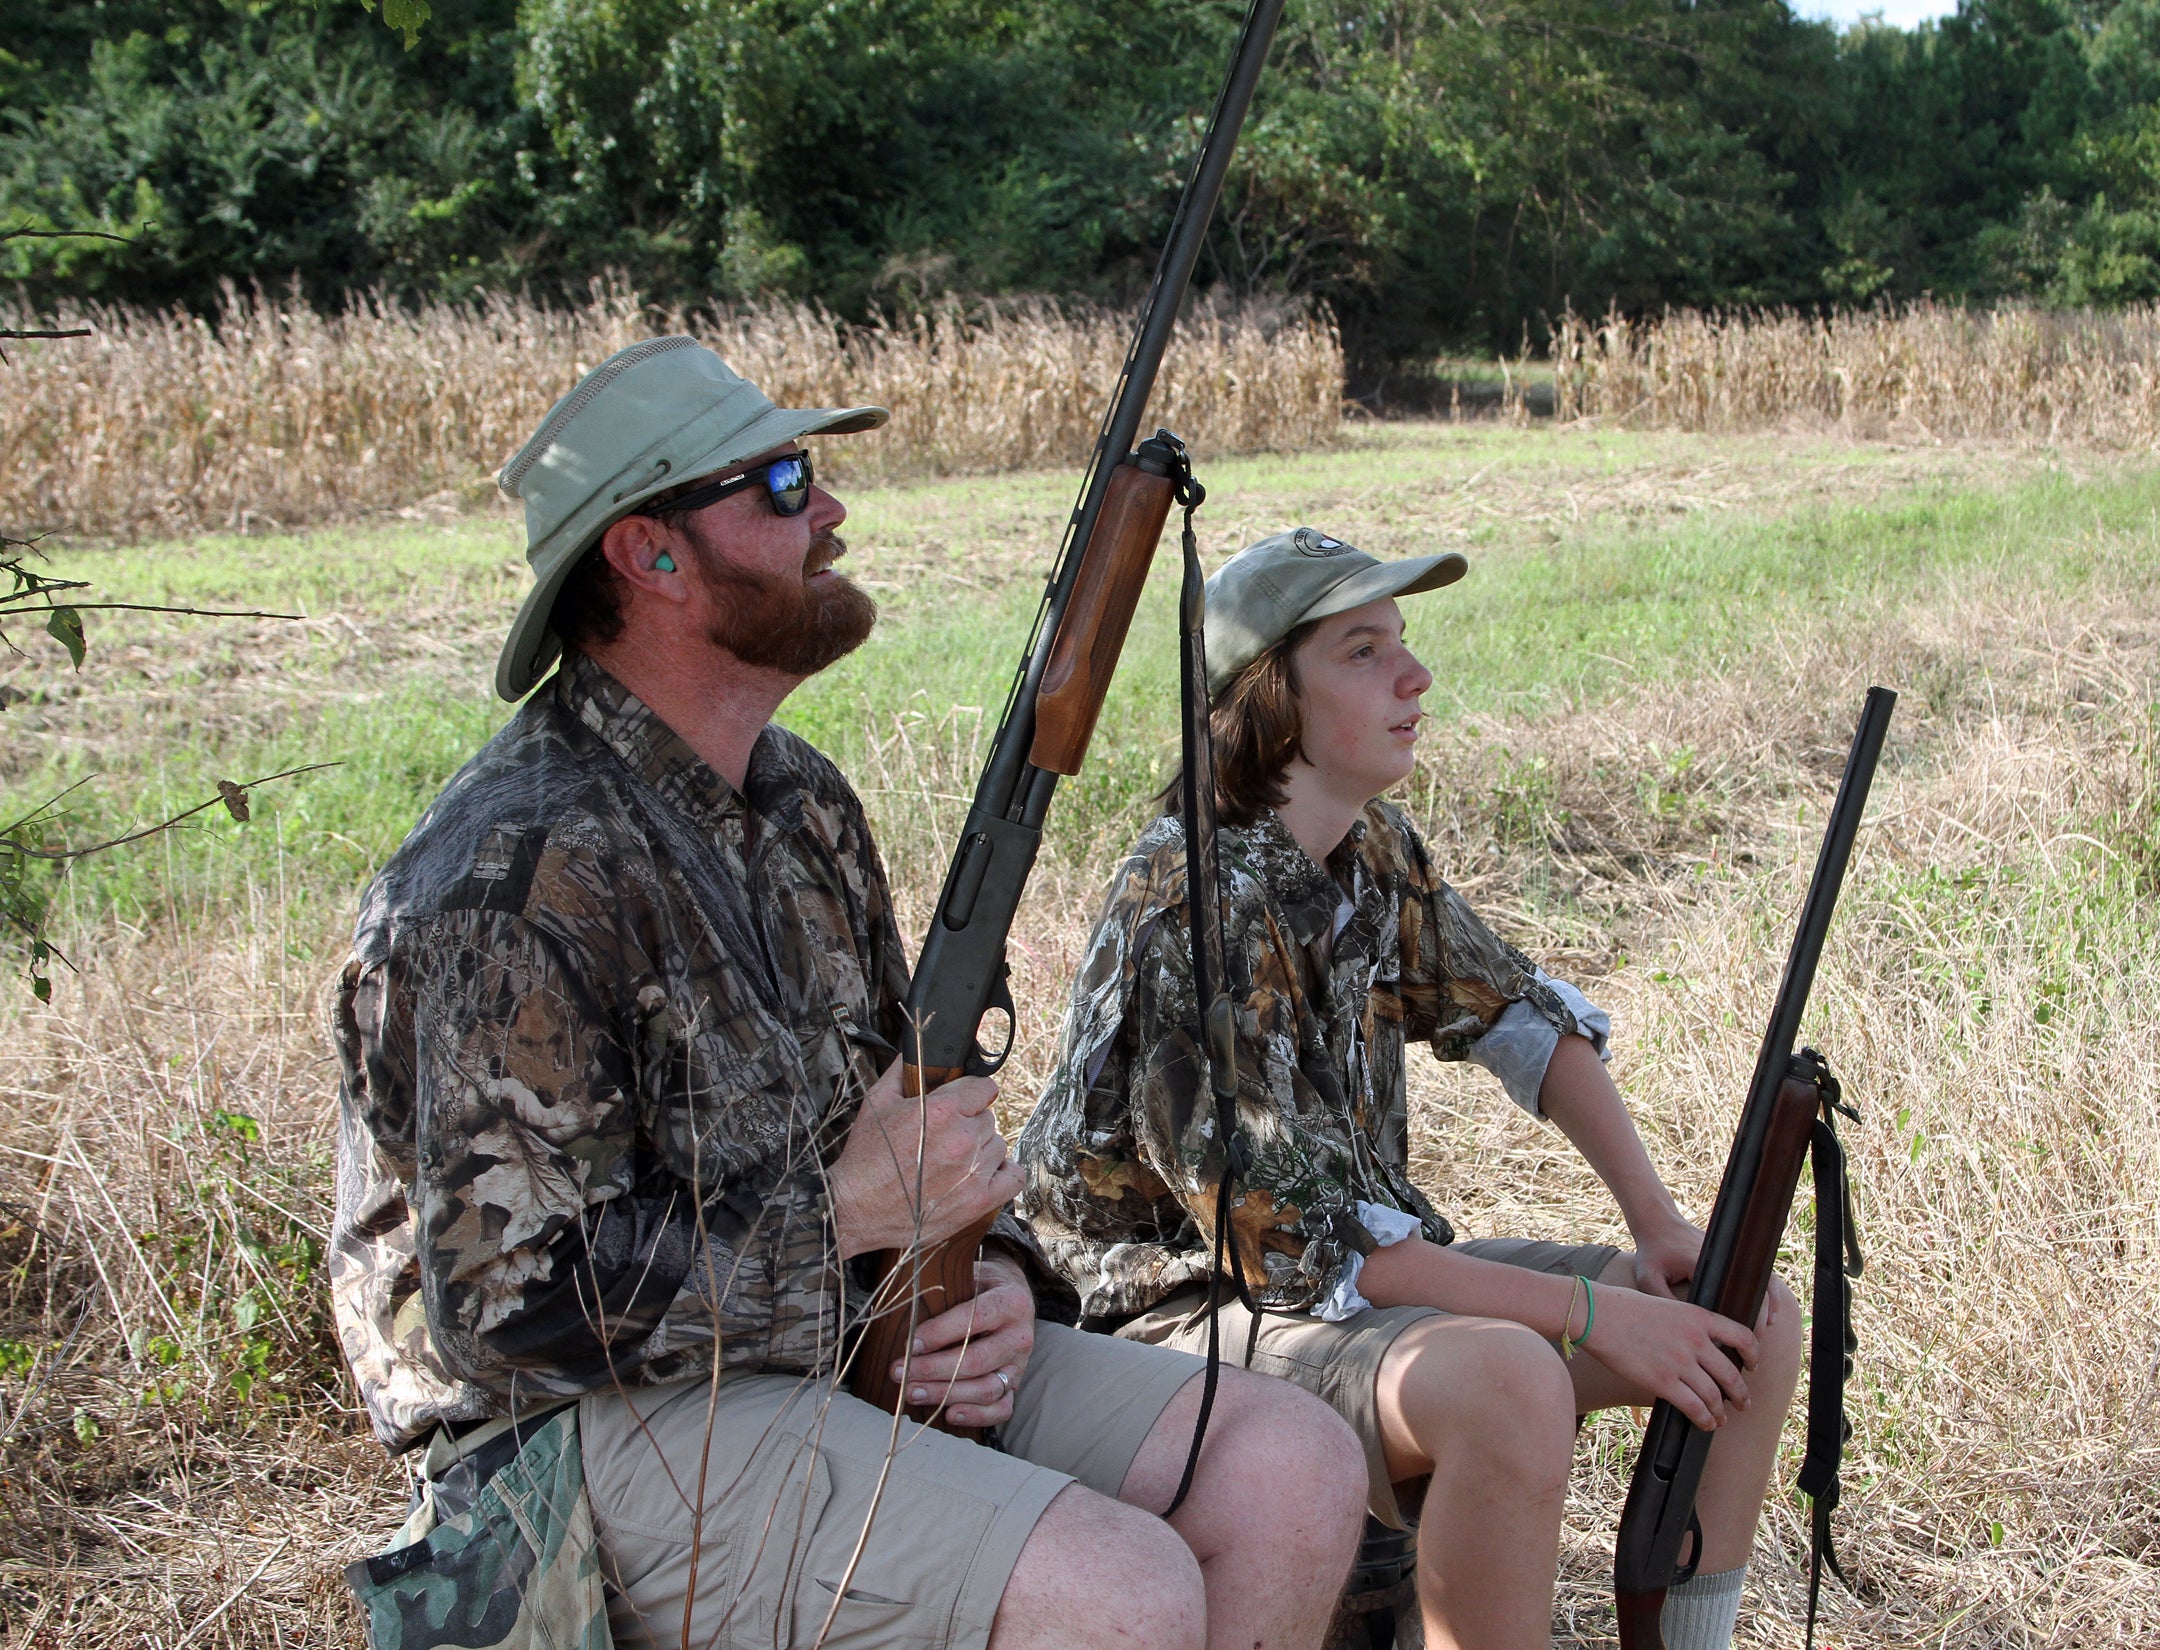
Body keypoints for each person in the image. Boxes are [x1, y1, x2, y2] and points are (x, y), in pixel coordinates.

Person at [327, 341, 1364, 1650]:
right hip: (566, 1449)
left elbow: (891, 1122)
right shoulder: (513, 871)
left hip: (812, 1343)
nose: (829, 512)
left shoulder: (798, 799)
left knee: (1290, 1468)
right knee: (1117, 1590)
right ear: (650, 556)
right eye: (778, 481)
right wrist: (832, 1226)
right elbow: (501, 1316)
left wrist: (980, 1286)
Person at [1019, 528, 1801, 1650]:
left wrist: (1661, 1228)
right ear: (1268, 700)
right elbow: (1318, 1252)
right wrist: (1597, 1313)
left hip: (1321, 1288)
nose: (1414, 674)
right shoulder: (1197, 905)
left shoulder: (1370, 845)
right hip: (1165, 1314)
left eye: (1403, 641)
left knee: (1745, 1314)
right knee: (1508, 1385)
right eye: (1362, 649)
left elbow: (1520, 1016)